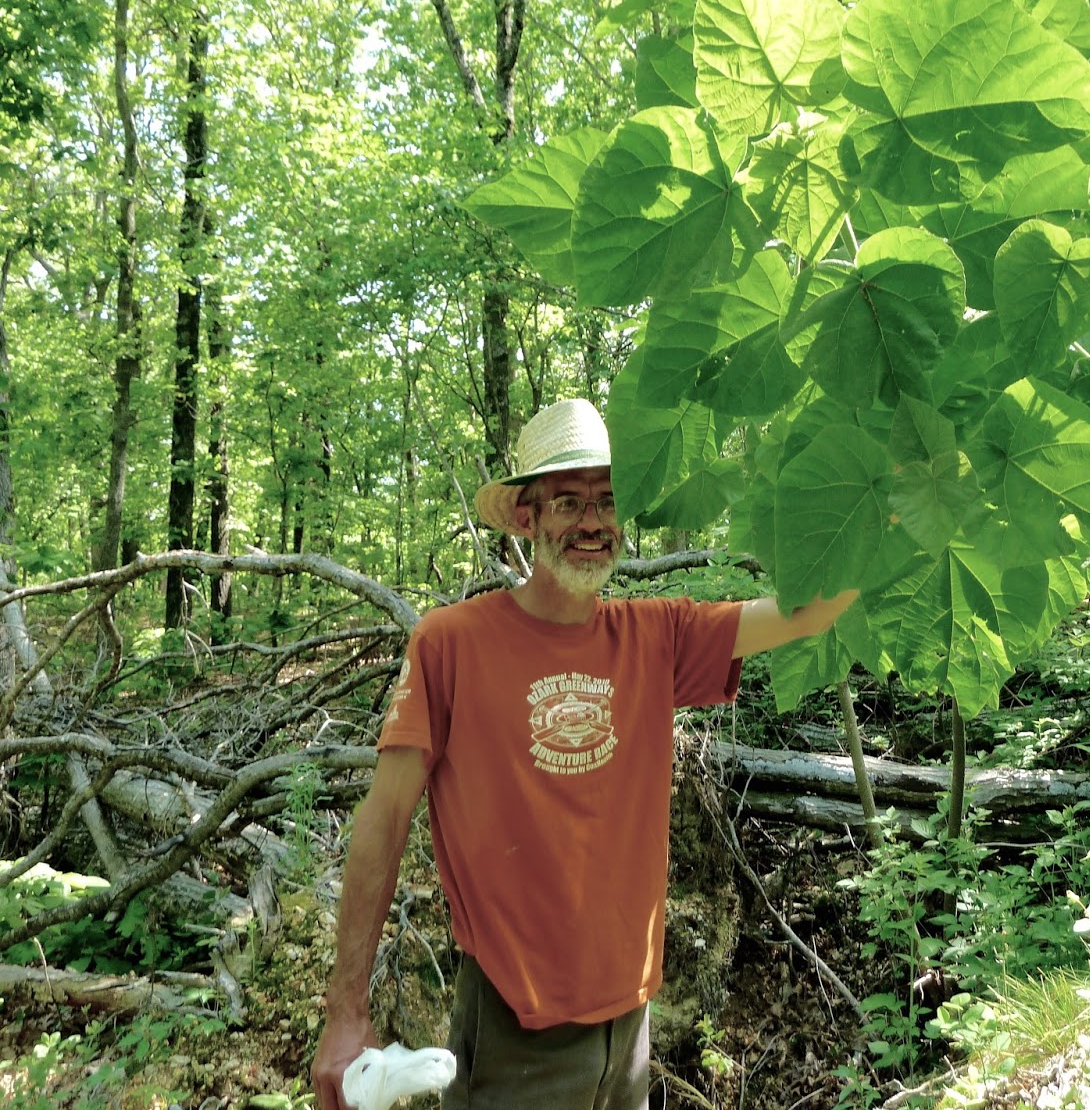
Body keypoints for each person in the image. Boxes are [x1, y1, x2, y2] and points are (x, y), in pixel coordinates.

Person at [311, 398, 856, 1110]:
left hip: (630, 1022)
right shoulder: (452, 644)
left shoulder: (656, 636)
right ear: (526, 518)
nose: (593, 521)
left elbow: (804, 612)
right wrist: (346, 1009)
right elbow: (382, 821)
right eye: (568, 501)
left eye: (607, 500)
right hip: (515, 1026)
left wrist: (888, 512)